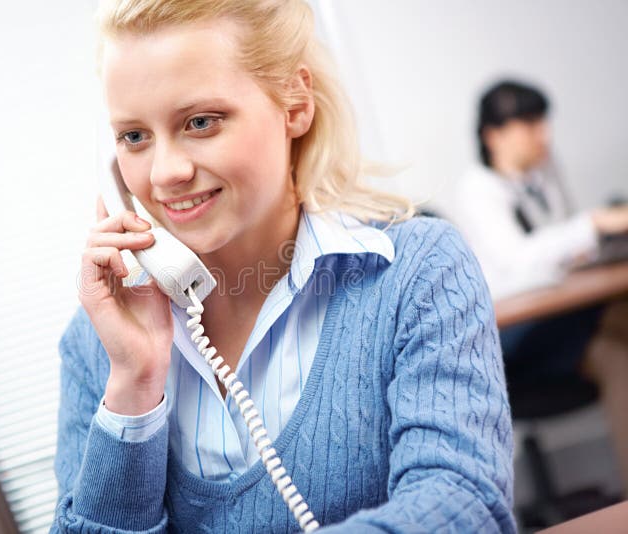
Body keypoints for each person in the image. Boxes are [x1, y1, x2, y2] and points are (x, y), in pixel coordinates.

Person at [51, 1, 515, 532]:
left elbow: (462, 506)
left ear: (295, 102)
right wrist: (134, 385)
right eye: (134, 137)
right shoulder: (98, 342)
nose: (165, 173)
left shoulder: (417, 272)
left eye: (201, 122)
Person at [453, 79, 628, 493]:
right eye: (529, 125)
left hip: (564, 321)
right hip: (520, 340)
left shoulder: (542, 176)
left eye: (542, 123)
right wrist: (592, 224)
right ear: (493, 135)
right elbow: (518, 263)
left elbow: (566, 253)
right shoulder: (476, 192)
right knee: (617, 354)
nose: (543, 136)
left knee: (620, 322)